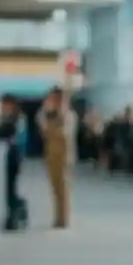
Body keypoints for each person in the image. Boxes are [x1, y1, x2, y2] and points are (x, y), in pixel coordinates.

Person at [37, 87, 77, 229]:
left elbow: (63, 134)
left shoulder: (68, 115)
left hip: (64, 157)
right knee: (55, 189)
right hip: (52, 155)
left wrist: (50, 129)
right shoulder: (49, 115)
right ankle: (57, 217)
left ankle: (63, 218)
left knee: (63, 188)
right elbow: (43, 130)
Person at [0, 95, 27, 231]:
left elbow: (19, 138)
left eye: (6, 104)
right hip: (4, 157)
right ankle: (12, 215)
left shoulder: (18, 120)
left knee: (11, 187)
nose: (4, 107)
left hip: (14, 157)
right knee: (7, 189)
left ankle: (16, 214)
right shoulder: (3, 119)